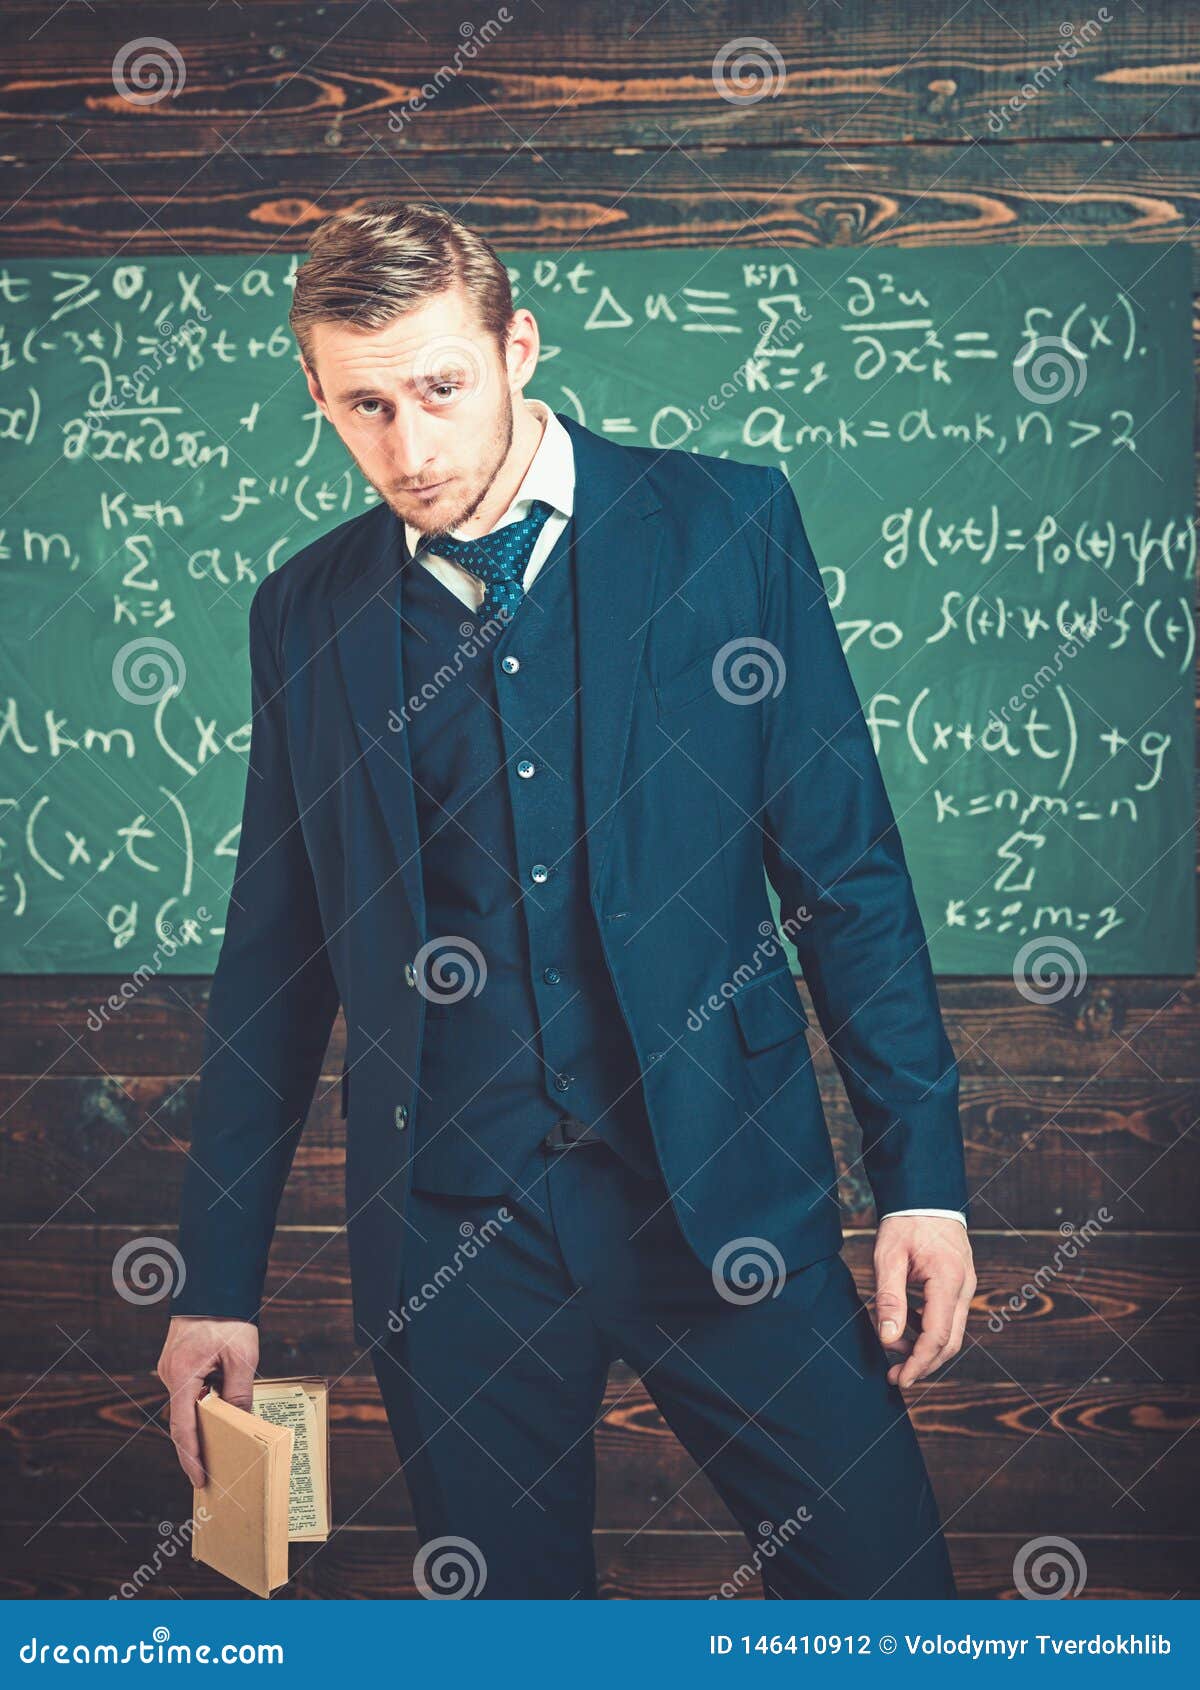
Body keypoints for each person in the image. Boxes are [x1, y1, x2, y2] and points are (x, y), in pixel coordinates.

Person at [157, 200, 975, 1600]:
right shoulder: (304, 610)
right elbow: (274, 963)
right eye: (364, 407)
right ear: (318, 396)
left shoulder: (725, 526)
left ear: (518, 347)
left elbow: (846, 874)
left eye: (440, 388)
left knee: (885, 1603)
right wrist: (214, 1280)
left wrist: (927, 1185)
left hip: (722, 1192)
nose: (409, 448)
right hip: (455, 1234)